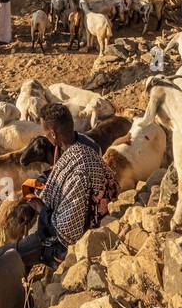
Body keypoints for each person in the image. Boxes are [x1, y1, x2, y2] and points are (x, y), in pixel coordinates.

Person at [17, 103, 117, 268]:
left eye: (45, 131)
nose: (45, 135)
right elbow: (56, 174)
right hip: (73, 209)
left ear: (53, 134)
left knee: (13, 254)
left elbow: (68, 228)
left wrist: (40, 208)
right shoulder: (68, 147)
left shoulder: (82, 158)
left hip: (78, 227)